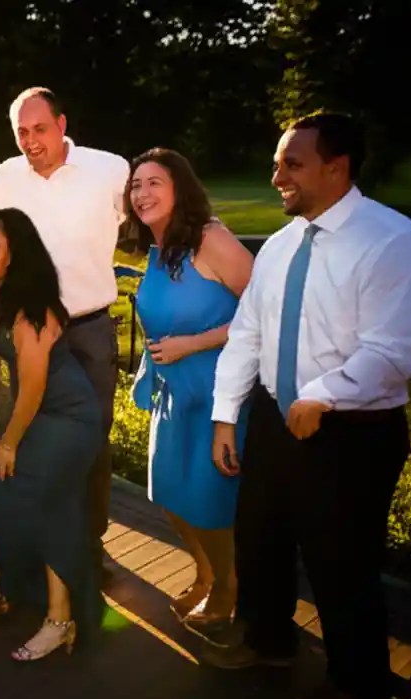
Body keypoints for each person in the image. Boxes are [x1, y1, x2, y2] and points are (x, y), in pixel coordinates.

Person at [208, 112, 411, 699]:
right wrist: (226, 416)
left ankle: (362, 685)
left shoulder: (393, 242)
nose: (276, 176)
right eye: (277, 163)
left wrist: (326, 395)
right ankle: (268, 641)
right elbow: (248, 334)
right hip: (274, 420)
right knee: (260, 538)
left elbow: (395, 349)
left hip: (350, 432)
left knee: (342, 562)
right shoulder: (280, 246)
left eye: (292, 164)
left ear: (337, 168)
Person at [0, 87, 130, 580]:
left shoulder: (109, 169)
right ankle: (39, 546)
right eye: (22, 133)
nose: (31, 141)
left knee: (91, 442)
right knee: (31, 435)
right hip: (29, 333)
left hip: (88, 329)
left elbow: (154, 206)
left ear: (62, 124)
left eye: (40, 129)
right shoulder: (8, 176)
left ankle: (89, 545)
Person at [0, 208, 103, 661]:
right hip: (34, 413)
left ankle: (60, 621)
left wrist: (8, 442)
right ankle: (5, 589)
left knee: (50, 504)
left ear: (14, 256)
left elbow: (35, 386)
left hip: (68, 416)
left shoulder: (31, 312)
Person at [125, 149, 254, 629]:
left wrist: (193, 343)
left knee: (208, 501)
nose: (142, 193)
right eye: (136, 185)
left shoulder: (209, 239)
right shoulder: (160, 249)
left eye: (154, 182)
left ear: (180, 189)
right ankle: (206, 573)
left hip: (217, 393)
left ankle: (228, 585)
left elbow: (264, 311)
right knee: (167, 492)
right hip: (174, 393)